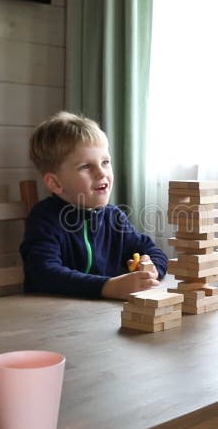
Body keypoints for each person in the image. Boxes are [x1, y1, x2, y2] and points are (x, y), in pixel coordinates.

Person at [20, 111, 167, 300]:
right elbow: (44, 273)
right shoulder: (44, 218)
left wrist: (151, 269)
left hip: (100, 318)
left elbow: (152, 250)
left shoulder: (114, 217)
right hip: (52, 320)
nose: (101, 173)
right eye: (86, 167)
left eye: (105, 162)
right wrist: (108, 287)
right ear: (56, 183)